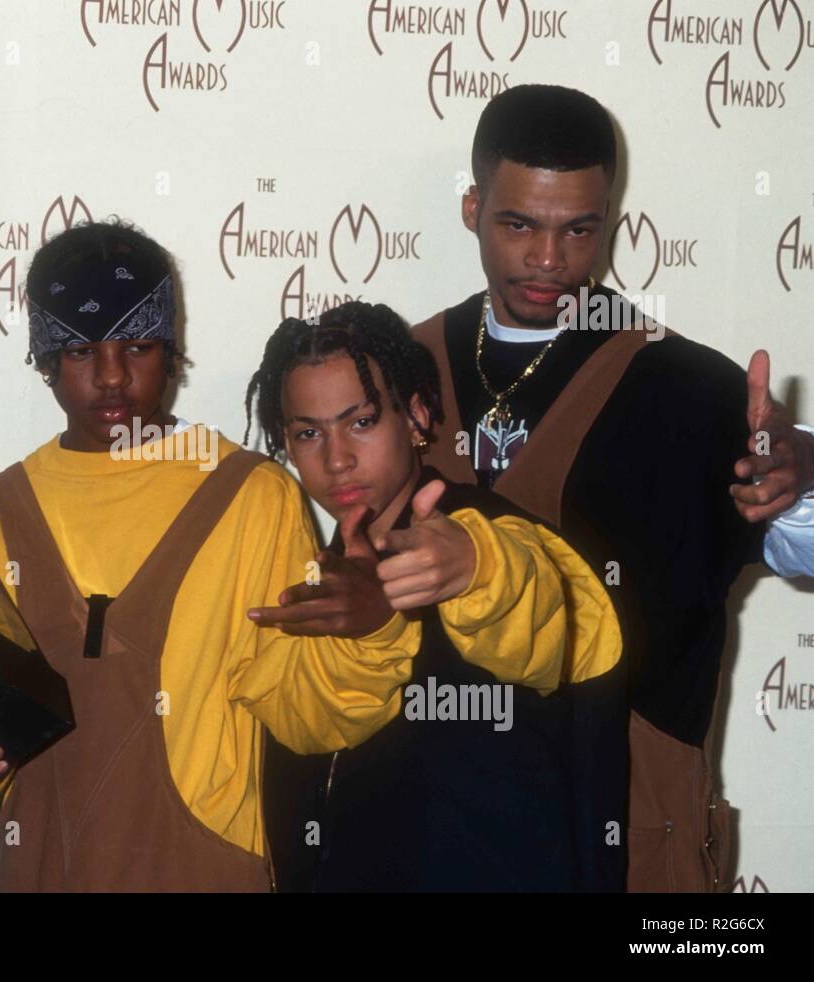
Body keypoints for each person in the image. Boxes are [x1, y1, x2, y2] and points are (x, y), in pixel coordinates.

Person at [0, 218, 429, 892]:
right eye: (79, 352)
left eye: (136, 346)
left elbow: (310, 716)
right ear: (43, 362)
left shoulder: (251, 496)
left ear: (171, 347)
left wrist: (371, 633)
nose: (111, 377)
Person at [408, 84, 814, 891]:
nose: (549, 260)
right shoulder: (396, 373)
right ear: (470, 208)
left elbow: (796, 541)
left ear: (609, 223)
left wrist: (800, 479)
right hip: (431, 816)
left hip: (632, 825)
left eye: (578, 230)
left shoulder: (691, 389)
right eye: (518, 224)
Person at [247, 301, 623, 890]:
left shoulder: (492, 532)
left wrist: (475, 566)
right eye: (308, 433)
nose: (337, 458)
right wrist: (370, 631)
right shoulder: (319, 572)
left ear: (418, 416)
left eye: (362, 421)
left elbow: (551, 619)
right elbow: (306, 732)